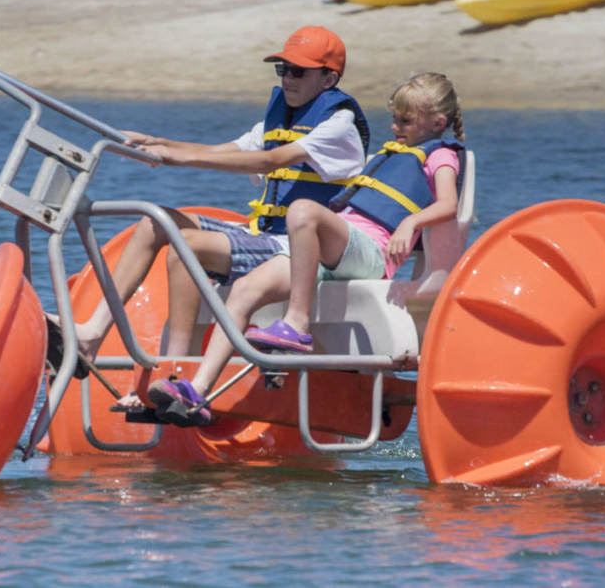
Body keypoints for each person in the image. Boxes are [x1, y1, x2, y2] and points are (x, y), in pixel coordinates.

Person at [144, 72, 464, 424]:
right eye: (393, 118)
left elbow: (448, 204)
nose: (393, 127)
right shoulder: (397, 154)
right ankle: (197, 391)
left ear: (437, 123)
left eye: (404, 120)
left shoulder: (441, 155)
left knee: (303, 210)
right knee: (244, 291)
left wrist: (410, 222)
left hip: (368, 256)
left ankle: (295, 324)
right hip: (332, 252)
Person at [57, 26, 370, 382]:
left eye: (299, 71)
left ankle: (175, 371)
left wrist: (178, 160)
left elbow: (269, 161)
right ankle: (93, 332)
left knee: (184, 245)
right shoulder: (279, 117)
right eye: (283, 70)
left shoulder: (339, 124)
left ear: (329, 78)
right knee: (154, 223)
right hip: (265, 233)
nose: (288, 79)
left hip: (295, 250)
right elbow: (221, 151)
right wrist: (157, 142)